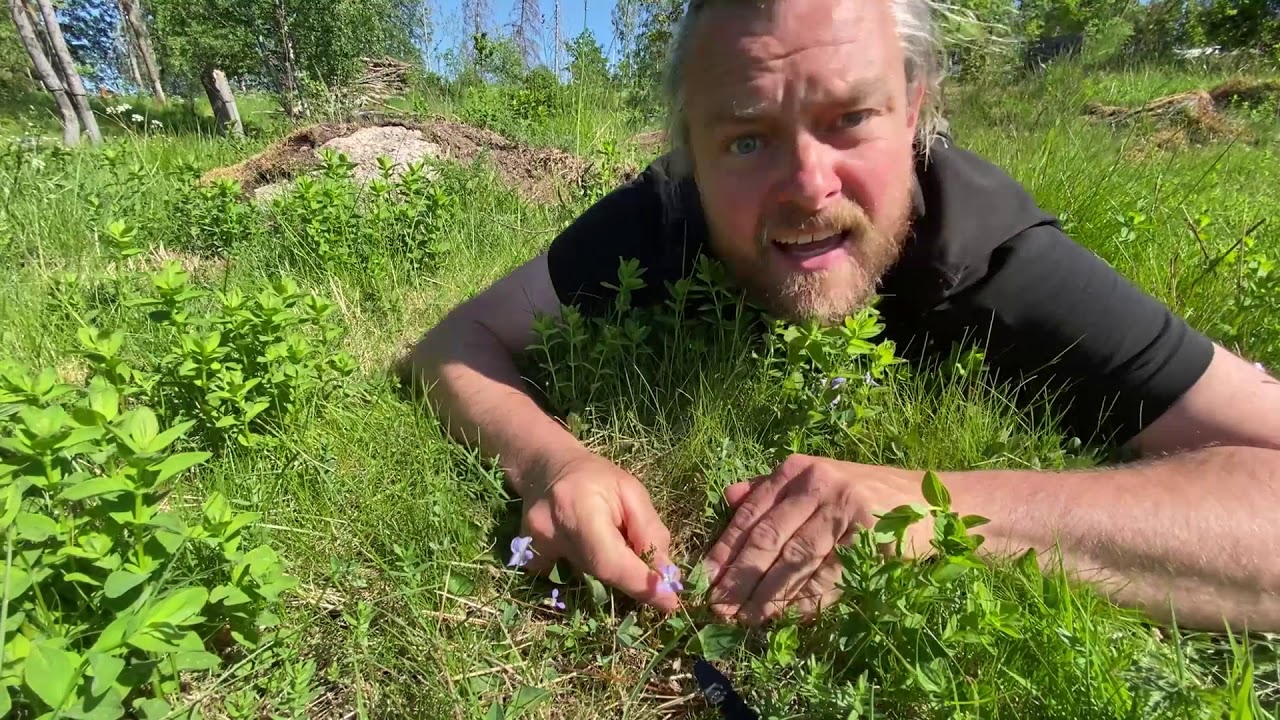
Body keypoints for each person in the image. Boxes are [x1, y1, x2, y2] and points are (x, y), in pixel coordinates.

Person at [403, 0, 1280, 632]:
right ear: (689, 150)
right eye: (746, 139)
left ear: (915, 110)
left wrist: (937, 510)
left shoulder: (999, 260)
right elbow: (453, 342)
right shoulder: (663, 214)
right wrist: (554, 464)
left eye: (852, 118)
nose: (810, 188)